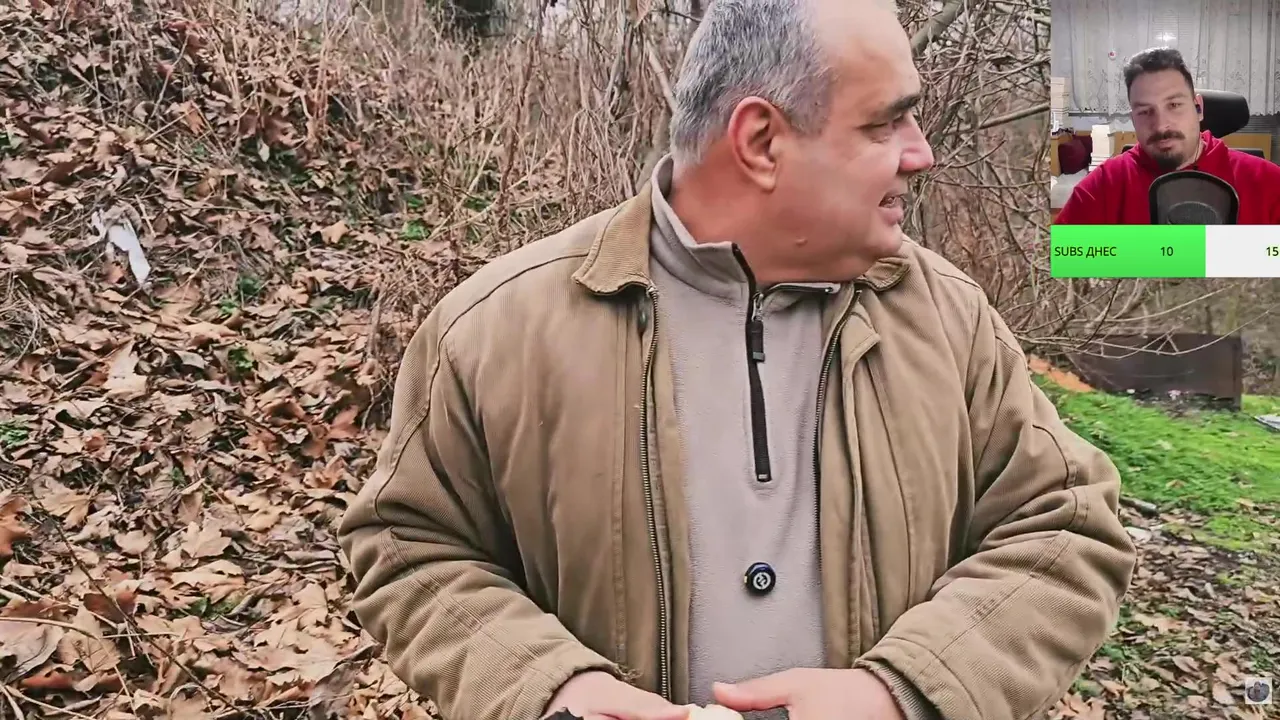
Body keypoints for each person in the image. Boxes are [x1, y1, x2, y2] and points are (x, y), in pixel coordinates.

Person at [338, 0, 1137, 719]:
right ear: (760, 142)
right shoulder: (497, 328)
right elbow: (407, 546)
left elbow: (1070, 527)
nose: (921, 153)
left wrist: (904, 692)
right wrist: (547, 689)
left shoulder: (949, 320)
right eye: (884, 123)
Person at [1055, 46, 1280, 224]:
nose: (1161, 125)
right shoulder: (1104, 185)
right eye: (1145, 112)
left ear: (1198, 108)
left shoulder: (1269, 183)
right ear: (1133, 119)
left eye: (1174, 105)